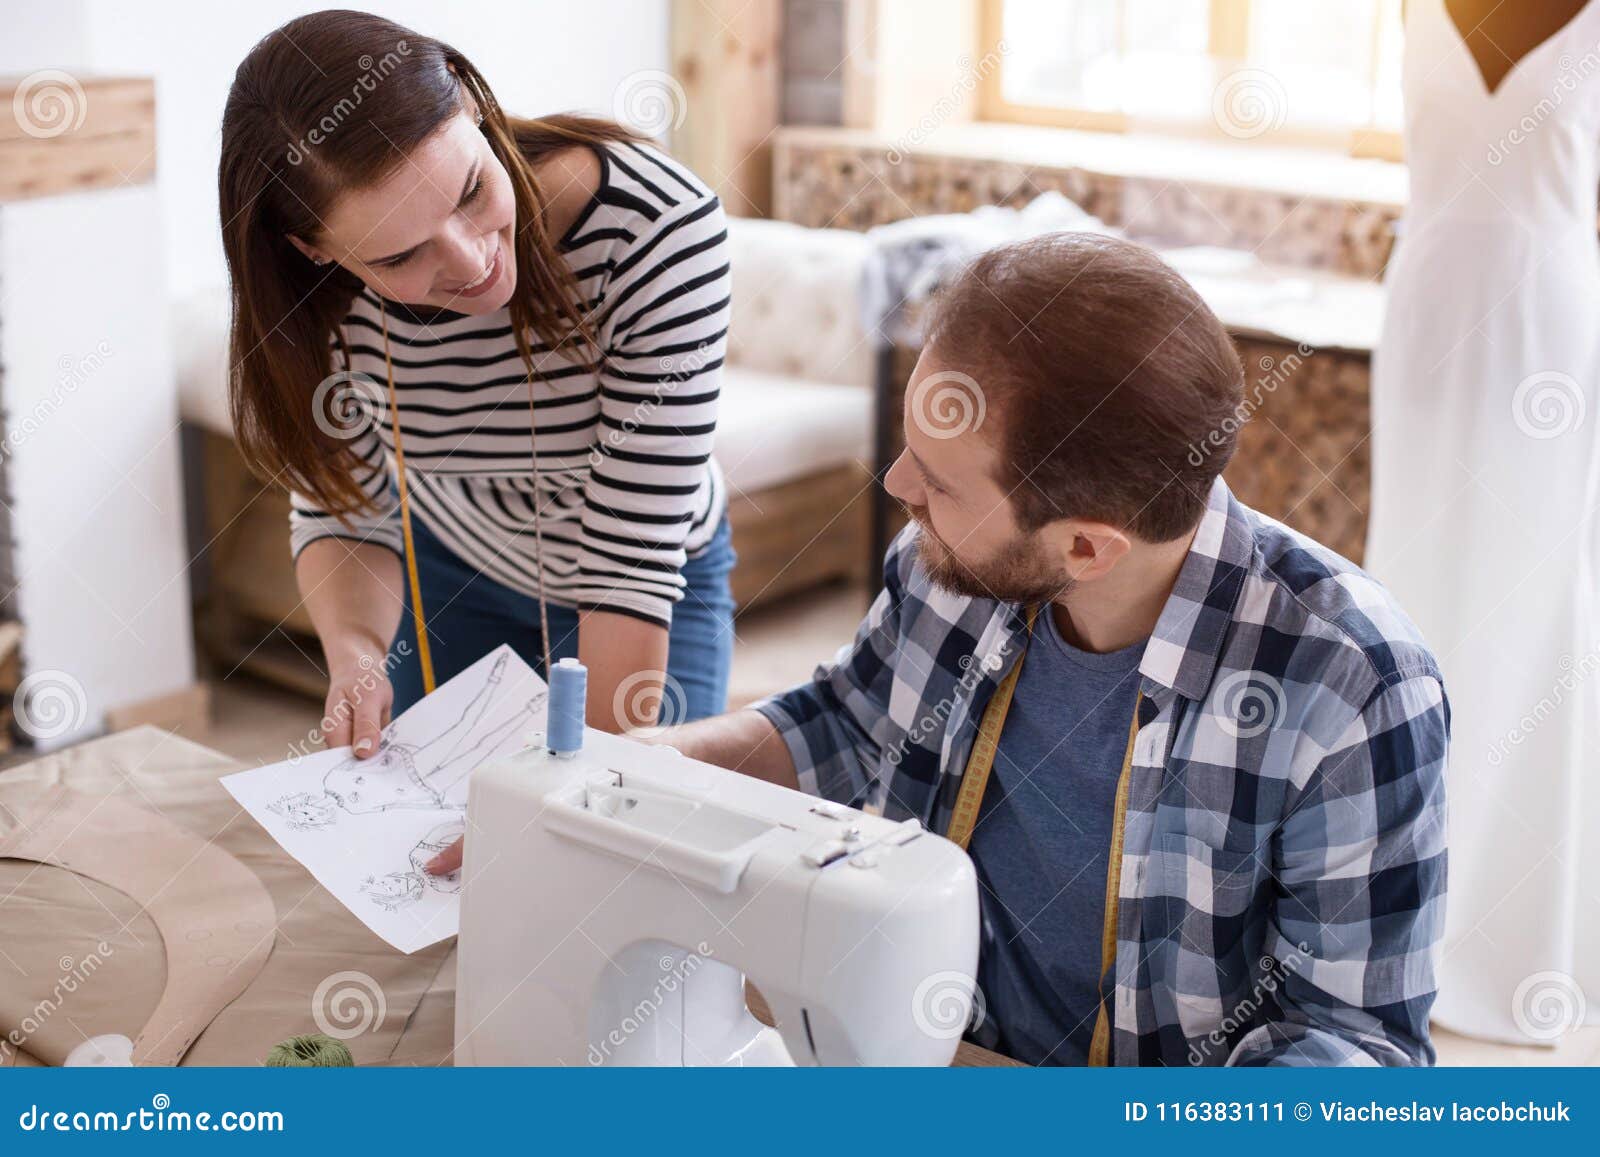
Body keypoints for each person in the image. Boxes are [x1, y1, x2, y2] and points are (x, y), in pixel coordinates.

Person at [656, 233, 1450, 1066]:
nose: (897, 486)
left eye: (940, 481)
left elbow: (1356, 1042)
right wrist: (641, 762)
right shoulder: (946, 565)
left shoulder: (1357, 682)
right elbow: (850, 721)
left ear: (1086, 550)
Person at [217, 11, 735, 779]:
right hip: (453, 566)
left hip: (650, 580)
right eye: (399, 253)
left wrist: (577, 794)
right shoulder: (314, 306)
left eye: (470, 190)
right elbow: (340, 505)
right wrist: (358, 653)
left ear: (470, 104)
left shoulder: (653, 230)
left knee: (635, 840)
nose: (471, 263)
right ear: (316, 251)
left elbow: (627, 561)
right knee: (443, 862)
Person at [1366, 0, 1600, 1044]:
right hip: (1425, 320)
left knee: (1530, 605)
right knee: (1411, 600)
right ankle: (1385, 904)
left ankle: (1511, 924)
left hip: (1547, 328)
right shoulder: (1414, 7)